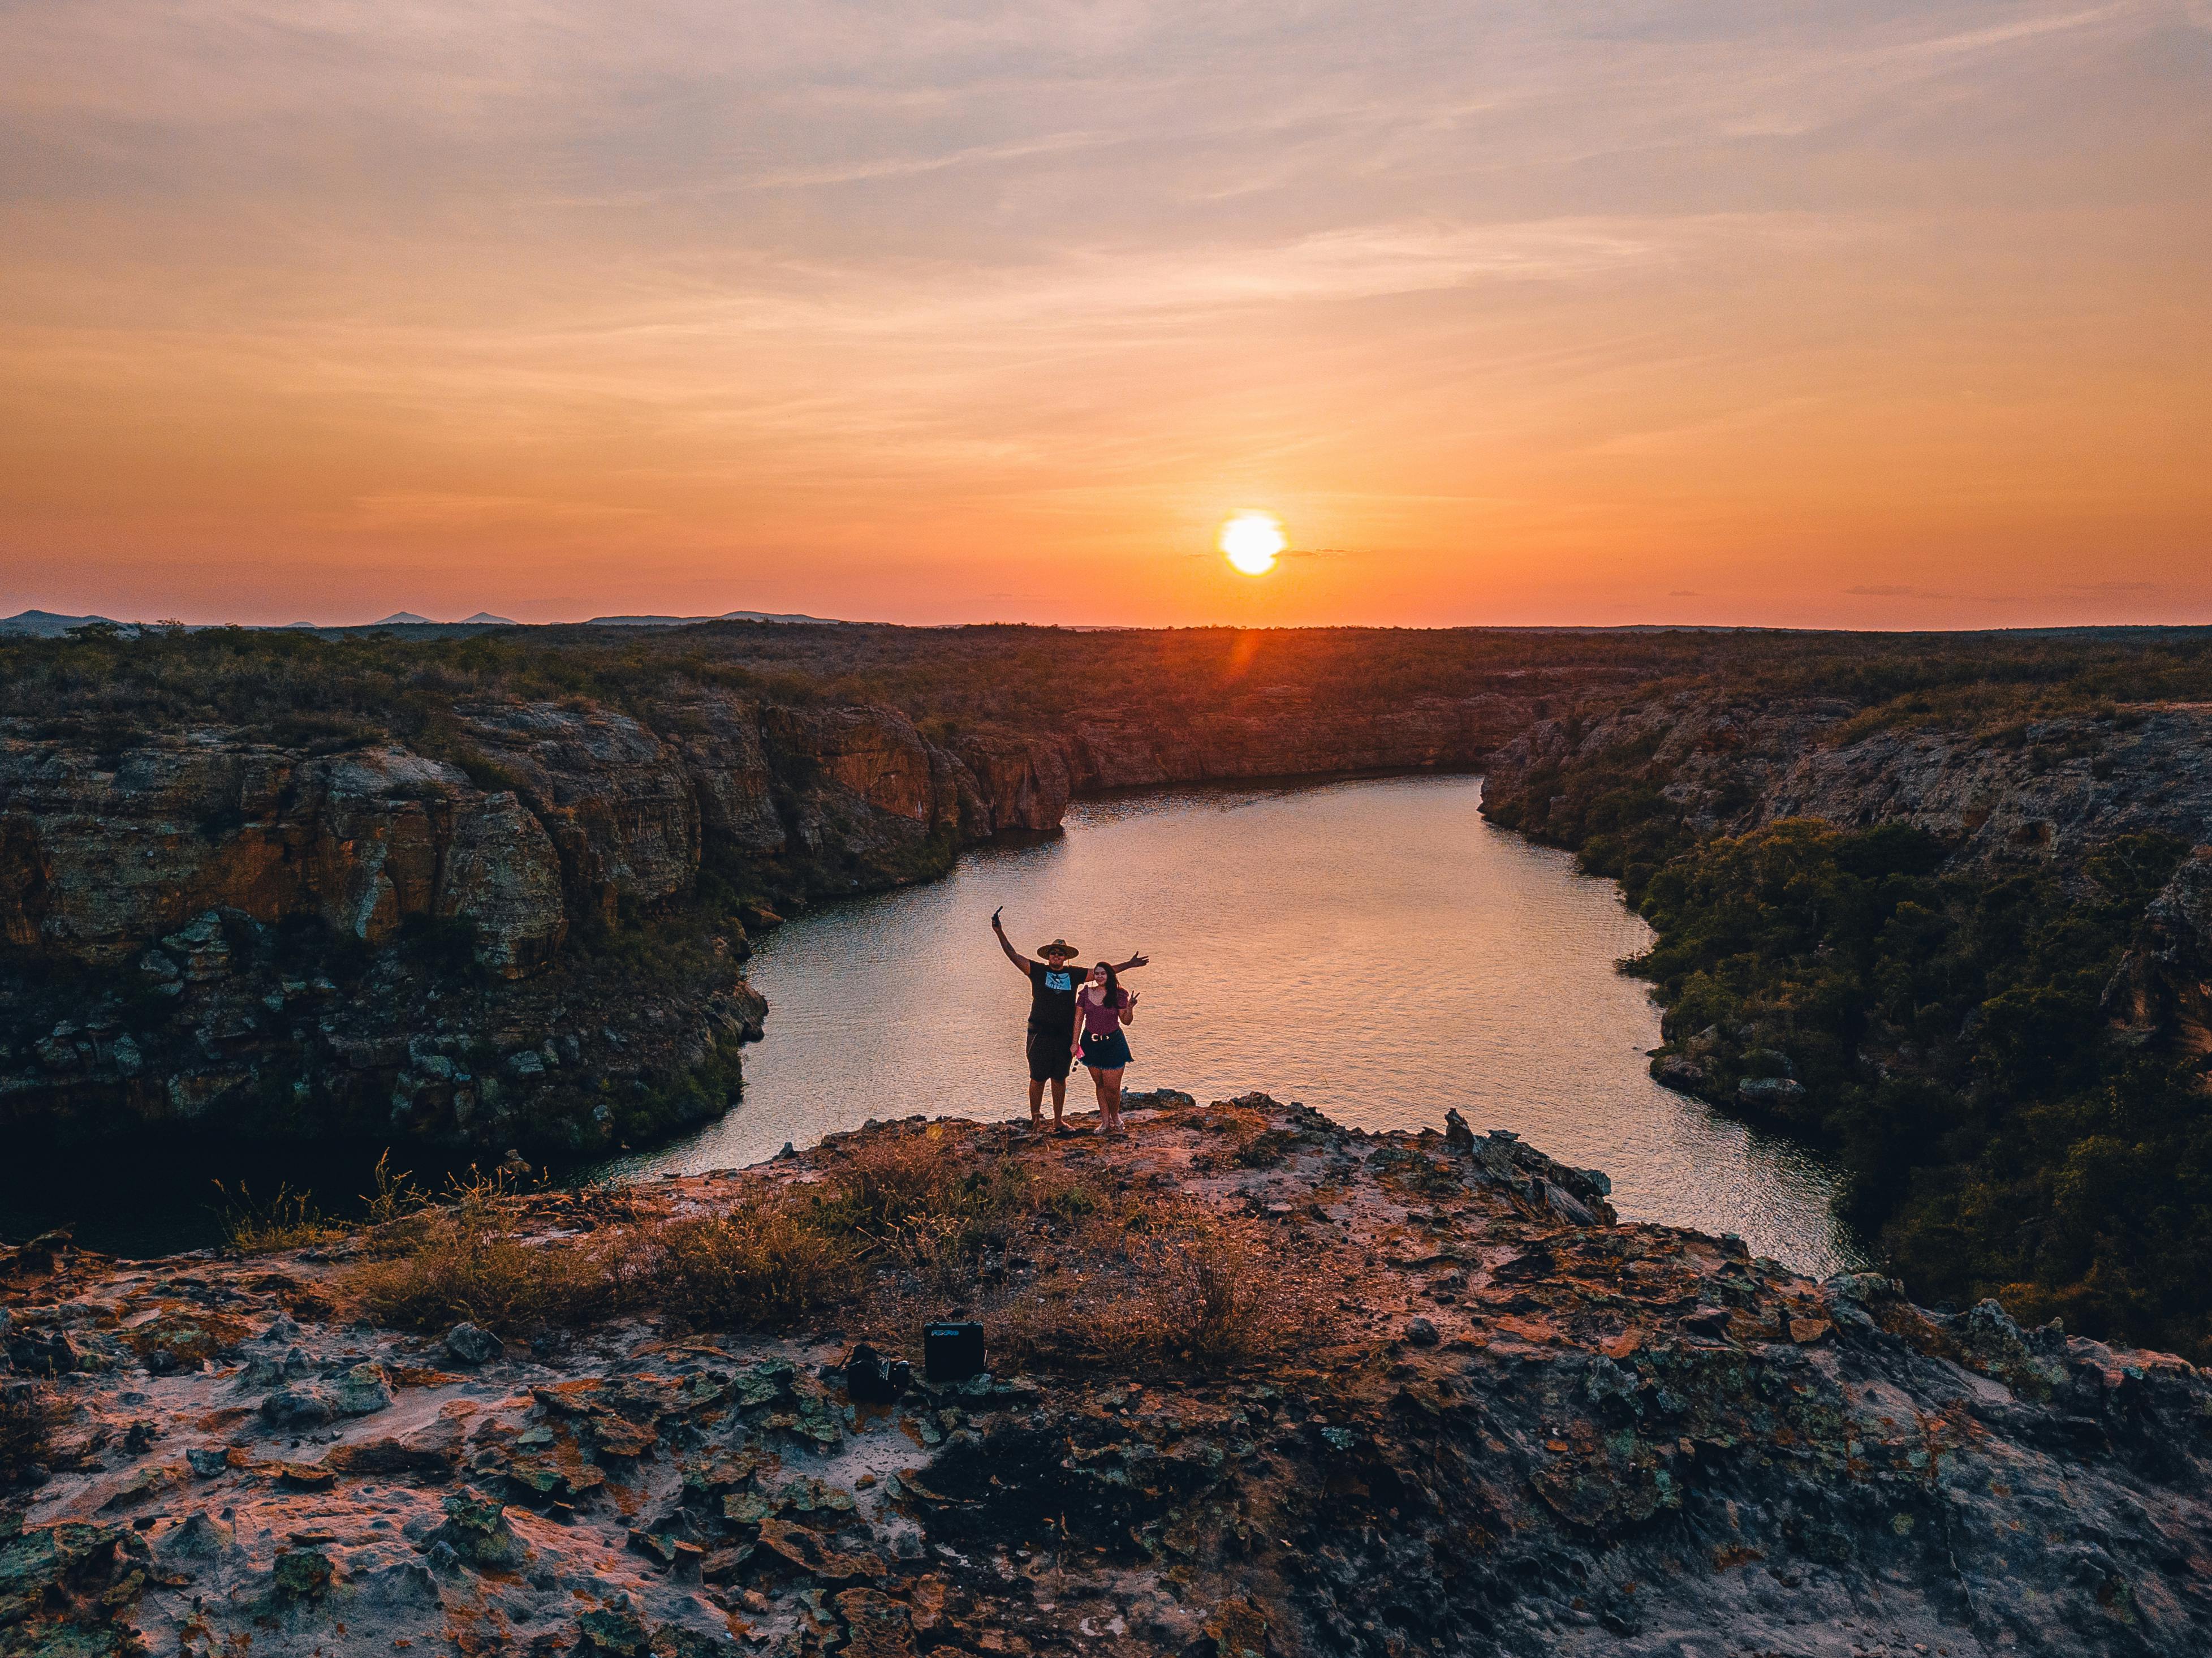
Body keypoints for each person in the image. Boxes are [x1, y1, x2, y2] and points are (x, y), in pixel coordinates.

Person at [992, 907, 1146, 1132]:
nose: (1057, 956)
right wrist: (999, 932)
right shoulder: (1036, 971)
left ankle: (1057, 1121)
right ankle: (1036, 1121)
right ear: (1048, 956)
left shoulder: (1074, 974)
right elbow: (1013, 955)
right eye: (1053, 953)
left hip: (1064, 1035)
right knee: (1037, 1078)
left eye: (1060, 954)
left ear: (1066, 958)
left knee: (1059, 1078)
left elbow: (1104, 973)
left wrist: (1129, 965)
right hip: (1039, 1033)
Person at [1072, 961, 1137, 1135]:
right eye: (1097, 973)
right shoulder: (1086, 993)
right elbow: (1078, 1019)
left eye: (1103, 973)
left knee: (1113, 1088)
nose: (1100, 976)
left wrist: (1129, 1007)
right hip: (1091, 1044)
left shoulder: (1119, 994)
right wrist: (1074, 1042)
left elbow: (1126, 1021)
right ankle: (1105, 1122)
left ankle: (1115, 1116)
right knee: (1100, 1084)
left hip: (1113, 1044)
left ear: (1109, 976)